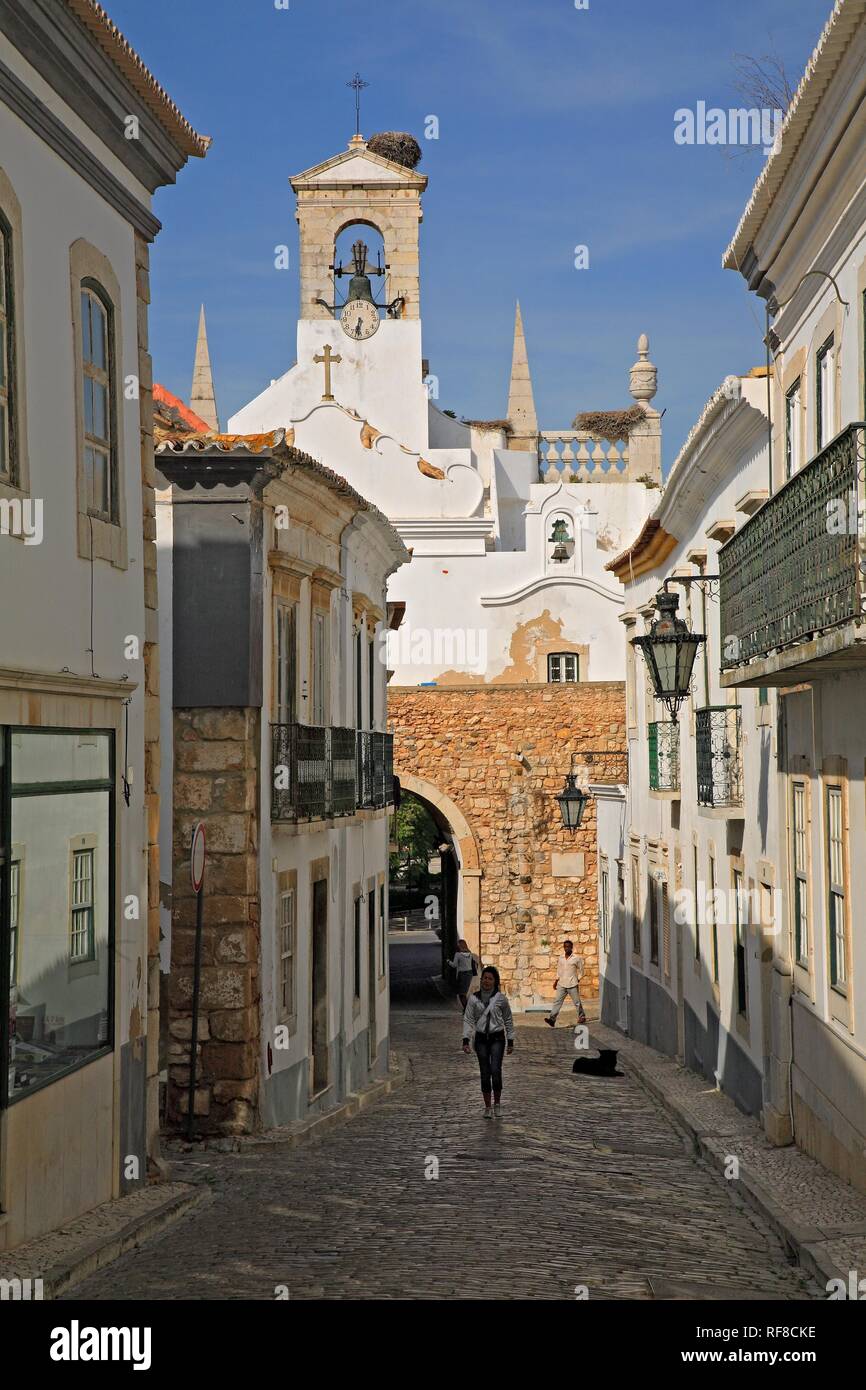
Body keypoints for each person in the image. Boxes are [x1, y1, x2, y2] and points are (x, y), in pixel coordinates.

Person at [462, 965, 514, 1118]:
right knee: (485, 1072)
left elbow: (508, 1020)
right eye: (484, 978)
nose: (486, 981)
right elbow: (468, 1019)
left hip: (497, 1038)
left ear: (495, 981)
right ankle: (487, 1106)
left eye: (490, 979)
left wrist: (510, 1040)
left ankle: (497, 1103)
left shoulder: (501, 999)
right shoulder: (473, 999)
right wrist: (465, 1039)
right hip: (480, 1040)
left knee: (495, 1071)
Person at [544, 939, 586, 1027]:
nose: (566, 948)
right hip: (561, 983)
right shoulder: (561, 958)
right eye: (565, 946)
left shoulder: (576, 958)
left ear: (571, 947)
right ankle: (552, 1019)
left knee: (577, 1002)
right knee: (557, 1002)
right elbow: (559, 970)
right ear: (563, 947)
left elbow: (581, 971)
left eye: (568, 947)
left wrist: (577, 979)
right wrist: (556, 981)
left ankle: (581, 1016)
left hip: (572, 984)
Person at [449, 937, 479, 1009]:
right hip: (469, 974)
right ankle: (467, 1009)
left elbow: (454, 965)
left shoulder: (458, 954)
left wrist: (448, 961)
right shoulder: (470, 954)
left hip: (462, 975)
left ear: (459, 946)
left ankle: (466, 1010)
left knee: (461, 994)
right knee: (464, 993)